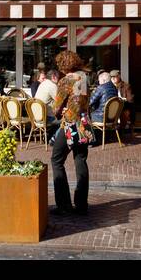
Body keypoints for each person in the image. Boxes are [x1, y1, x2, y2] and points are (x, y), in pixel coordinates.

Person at [50, 50, 91, 216]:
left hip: (70, 124)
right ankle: (81, 204)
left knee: (56, 160)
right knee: (80, 159)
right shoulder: (84, 78)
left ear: (62, 65)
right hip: (84, 123)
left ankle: (64, 204)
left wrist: (59, 110)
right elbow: (82, 101)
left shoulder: (66, 80)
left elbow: (56, 108)